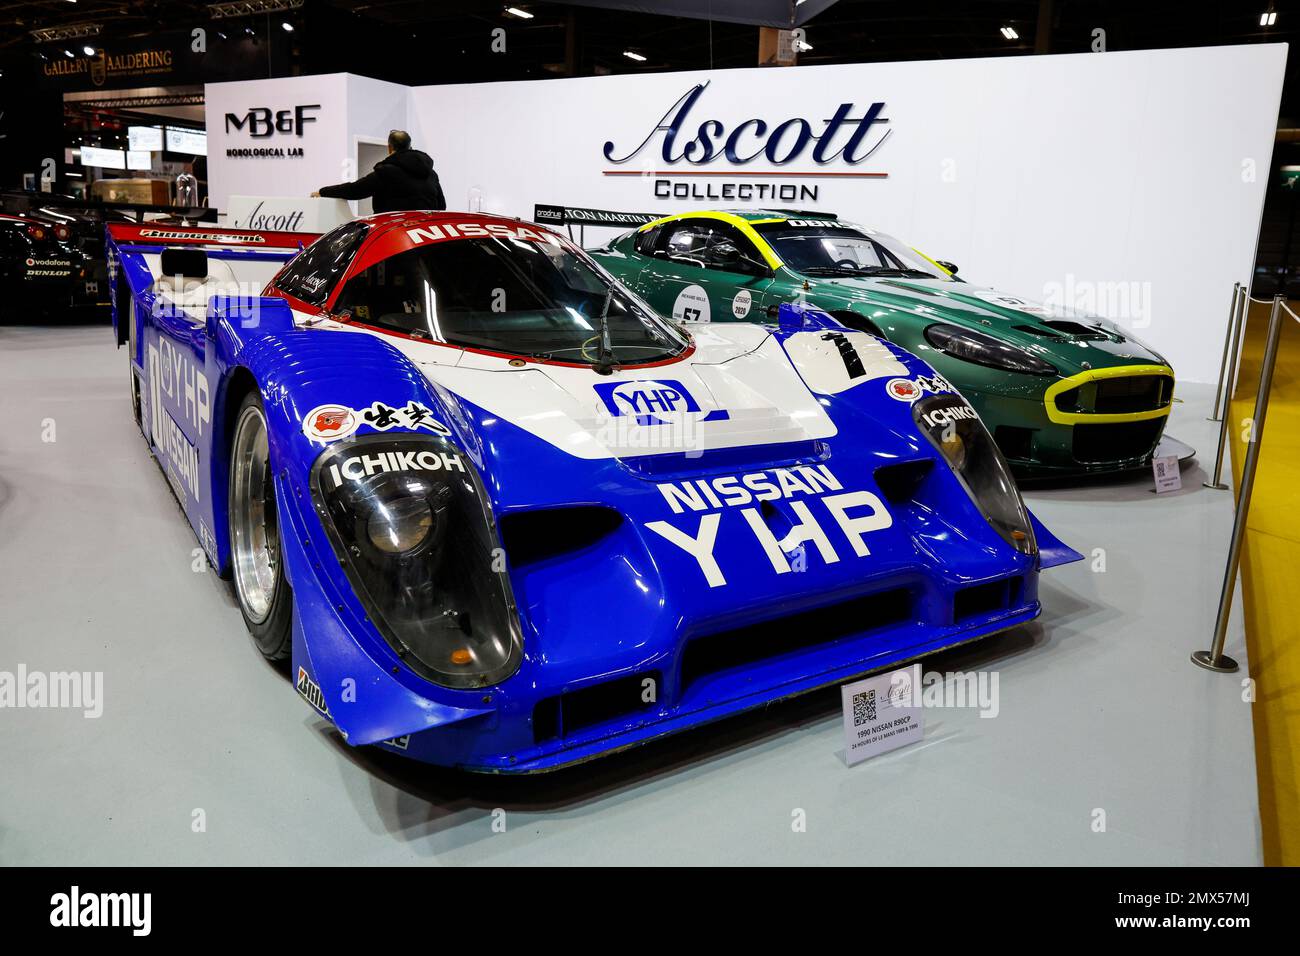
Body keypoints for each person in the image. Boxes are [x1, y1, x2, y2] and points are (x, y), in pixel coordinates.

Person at [312, 130, 446, 213]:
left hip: (394, 236)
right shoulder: (431, 173)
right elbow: (441, 206)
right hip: (423, 238)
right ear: (410, 147)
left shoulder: (386, 172)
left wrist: (323, 192)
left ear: (389, 148)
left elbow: (355, 190)